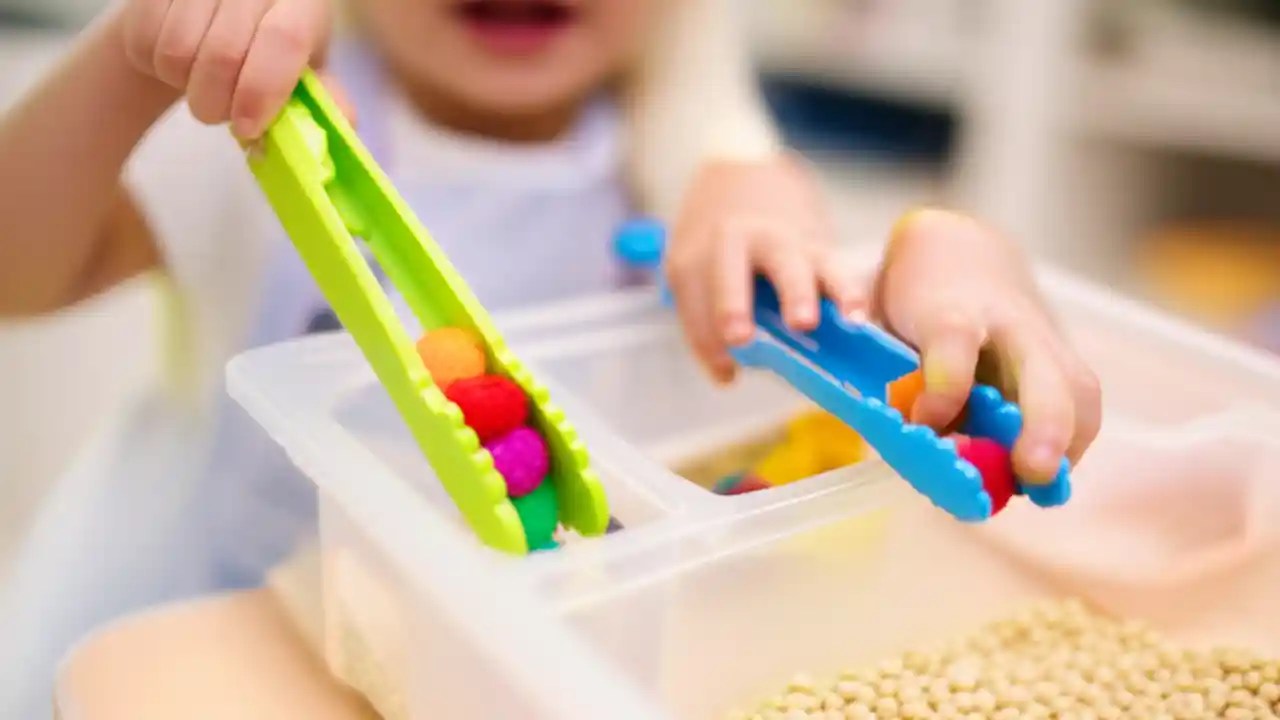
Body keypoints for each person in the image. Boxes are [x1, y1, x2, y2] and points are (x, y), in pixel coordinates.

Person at [0, 0, 1101, 715]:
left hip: (458, 673)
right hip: (201, 654)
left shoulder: (689, 171)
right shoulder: (261, 125)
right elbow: (17, 273)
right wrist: (132, 59)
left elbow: (845, 339)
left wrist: (953, 255)